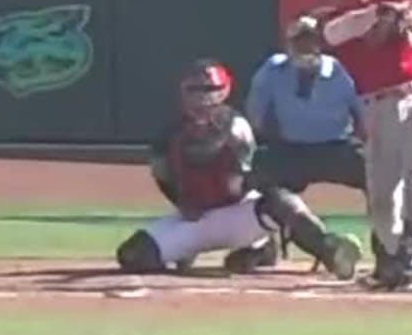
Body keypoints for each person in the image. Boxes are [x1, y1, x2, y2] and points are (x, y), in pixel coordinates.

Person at [114, 58, 362, 278]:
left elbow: (242, 183)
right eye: (194, 90)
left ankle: (328, 249)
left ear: (224, 91)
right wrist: (183, 204)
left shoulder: (236, 129)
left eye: (209, 89)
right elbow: (164, 177)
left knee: (281, 201)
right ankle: (251, 248)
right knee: (133, 255)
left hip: (237, 213)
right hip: (196, 217)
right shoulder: (168, 137)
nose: (202, 98)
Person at [315, 0, 412, 293]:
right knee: (382, 194)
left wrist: (401, 14)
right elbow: (341, 31)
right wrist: (379, 15)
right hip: (375, 106)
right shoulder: (329, 20)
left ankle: (411, 254)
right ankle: (391, 259)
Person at [246, 16, 365, 194]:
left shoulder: (339, 70)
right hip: (291, 150)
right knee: (262, 164)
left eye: (311, 41)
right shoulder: (272, 69)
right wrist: (274, 138)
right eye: (299, 41)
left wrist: (359, 137)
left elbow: (361, 112)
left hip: (336, 148)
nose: (306, 47)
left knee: (368, 166)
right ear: (288, 45)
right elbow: (256, 114)